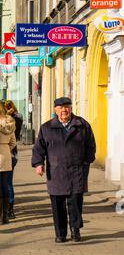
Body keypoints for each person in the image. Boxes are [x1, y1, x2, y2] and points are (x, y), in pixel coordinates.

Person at [32, 97, 96, 243]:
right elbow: (39, 148)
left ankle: (75, 231)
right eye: (60, 108)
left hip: (77, 170)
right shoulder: (47, 128)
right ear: (55, 110)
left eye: (66, 107)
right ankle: (60, 234)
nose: (64, 110)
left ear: (71, 108)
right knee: (57, 203)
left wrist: (86, 161)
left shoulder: (82, 125)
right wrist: (38, 164)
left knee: (75, 202)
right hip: (56, 171)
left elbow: (91, 145)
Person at [5, 100, 23, 219]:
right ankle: (10, 209)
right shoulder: (19, 118)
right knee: (9, 182)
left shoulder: (7, 122)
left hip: (5, 153)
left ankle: (4, 208)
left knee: (3, 183)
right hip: (13, 152)